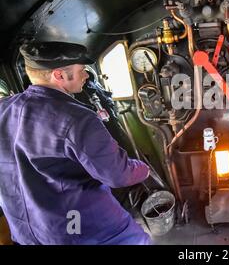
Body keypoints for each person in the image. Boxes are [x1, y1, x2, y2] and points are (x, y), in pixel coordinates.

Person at [0, 41, 151, 245]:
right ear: (59, 75)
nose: (87, 75)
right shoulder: (77, 118)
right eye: (82, 70)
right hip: (78, 228)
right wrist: (143, 169)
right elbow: (118, 175)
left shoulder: (3, 109)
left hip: (26, 233)